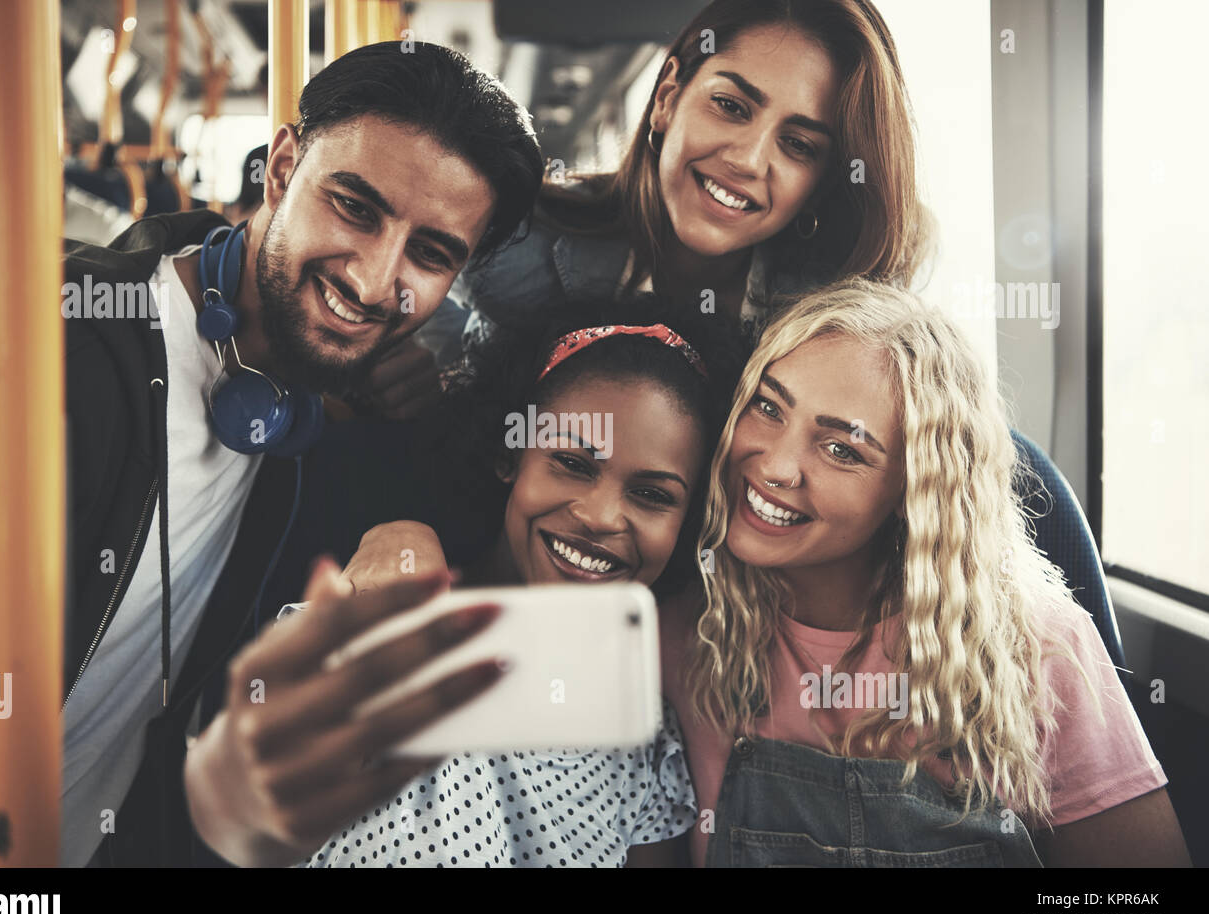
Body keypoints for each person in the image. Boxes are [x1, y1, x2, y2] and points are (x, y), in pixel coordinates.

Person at [0, 40, 542, 867]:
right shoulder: (40, 360)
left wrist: (407, 516)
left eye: (430, 253)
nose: (373, 276)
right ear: (282, 166)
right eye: (355, 207)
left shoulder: (323, 407)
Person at [421, 0, 1125, 698]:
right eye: (731, 106)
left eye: (799, 144)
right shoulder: (523, 251)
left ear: (824, 177)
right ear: (668, 96)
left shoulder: (824, 314)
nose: (748, 159)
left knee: (1018, 461)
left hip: (730, 599)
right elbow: (430, 350)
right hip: (581, 591)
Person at [660, 279, 1190, 867]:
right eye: (768, 407)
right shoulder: (686, 626)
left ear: (915, 492)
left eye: (842, 450)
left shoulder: (1033, 644)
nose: (778, 466)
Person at [290, 295, 742, 867]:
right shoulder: (374, 622)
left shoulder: (642, 742)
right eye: (573, 463)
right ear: (512, 453)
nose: (601, 516)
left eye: (652, 495)